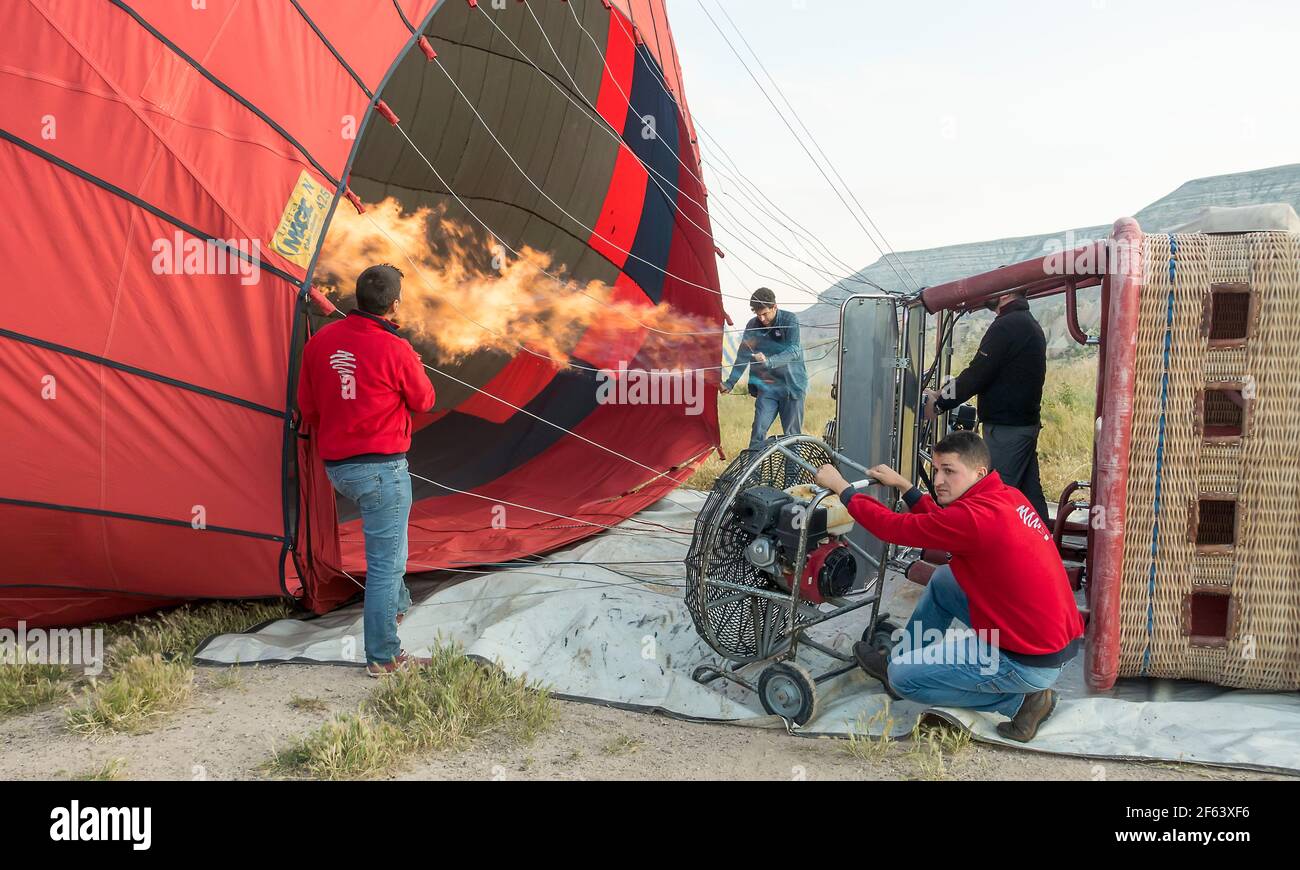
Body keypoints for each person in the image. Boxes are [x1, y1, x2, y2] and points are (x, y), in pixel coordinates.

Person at [813, 431, 1084, 742]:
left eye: (949, 471)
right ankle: (903, 657)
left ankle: (1021, 702)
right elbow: (945, 525)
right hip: (1048, 641)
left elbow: (890, 528)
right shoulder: (1007, 496)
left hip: (1027, 660)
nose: (939, 479)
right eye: (937, 469)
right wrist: (906, 488)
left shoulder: (975, 519)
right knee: (944, 580)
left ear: (978, 472)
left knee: (904, 681)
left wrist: (842, 489)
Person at [297, 264, 436, 677]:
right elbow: (424, 400)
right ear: (394, 305)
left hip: (339, 469)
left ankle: (394, 611)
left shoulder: (319, 343)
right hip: (381, 472)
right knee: (386, 564)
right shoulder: (396, 349)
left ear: (357, 298)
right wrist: (414, 363)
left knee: (390, 553)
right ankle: (383, 656)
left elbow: (310, 409)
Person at [923, 288, 1050, 522]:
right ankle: (1046, 549)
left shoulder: (1007, 325)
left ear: (1006, 292)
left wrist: (939, 402)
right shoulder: (1026, 323)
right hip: (1021, 425)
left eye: (994, 288)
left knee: (994, 500)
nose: (986, 295)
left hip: (1006, 429)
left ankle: (994, 555)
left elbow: (977, 373)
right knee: (1029, 497)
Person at [720, 287, 808, 449]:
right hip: (767, 388)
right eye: (757, 314)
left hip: (792, 387)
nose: (761, 318)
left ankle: (793, 475)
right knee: (758, 433)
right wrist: (730, 383)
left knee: (792, 436)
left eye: (765, 313)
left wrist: (769, 361)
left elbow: (794, 350)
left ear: (775, 307)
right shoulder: (753, 325)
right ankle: (753, 474)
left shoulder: (790, 320)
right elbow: (743, 355)